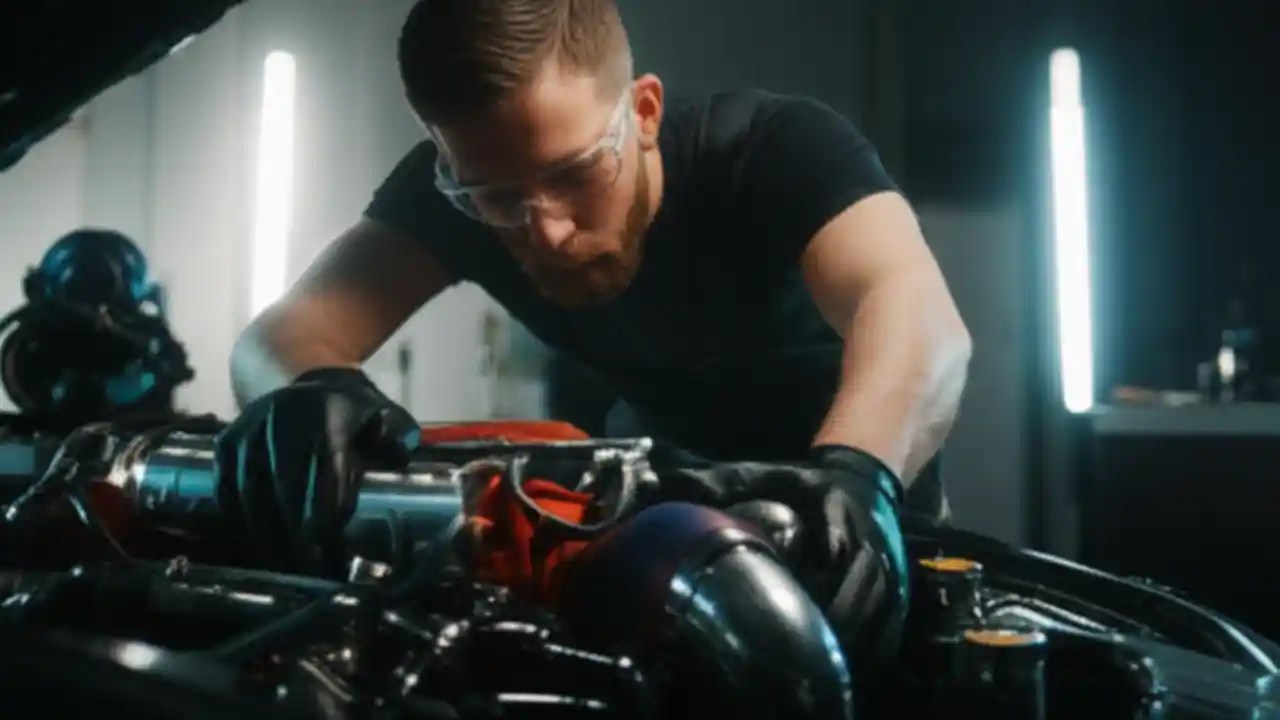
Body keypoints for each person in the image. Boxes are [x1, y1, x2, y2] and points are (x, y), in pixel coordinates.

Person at [216, 0, 971, 665]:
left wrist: (859, 473)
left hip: (854, 531)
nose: (543, 230)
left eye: (575, 174)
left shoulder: (775, 147)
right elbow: (276, 339)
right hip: (659, 529)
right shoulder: (453, 194)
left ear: (643, 113)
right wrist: (315, 391)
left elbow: (913, 310)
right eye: (494, 197)